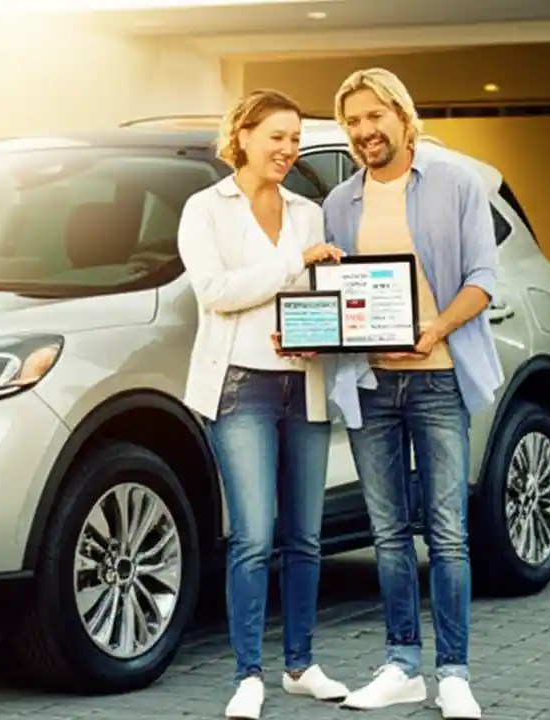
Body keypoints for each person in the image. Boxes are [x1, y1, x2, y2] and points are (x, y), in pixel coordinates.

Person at [320, 68, 504, 720]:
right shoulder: (339, 203)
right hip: (370, 383)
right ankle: (401, 664)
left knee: (448, 533)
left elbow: (484, 277)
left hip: (438, 378)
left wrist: (437, 329)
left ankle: (453, 672)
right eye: (353, 122)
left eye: (375, 116)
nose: (365, 131)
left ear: (401, 115)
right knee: (389, 532)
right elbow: (339, 299)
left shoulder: (456, 184)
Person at [177, 88, 349, 720]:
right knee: (254, 536)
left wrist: (312, 333)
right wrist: (291, 263)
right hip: (239, 387)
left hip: (300, 382)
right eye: (276, 135)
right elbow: (217, 292)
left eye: (296, 139)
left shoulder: (307, 211)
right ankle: (248, 674)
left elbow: (314, 295)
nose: (287, 149)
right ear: (242, 135)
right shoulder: (205, 210)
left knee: (305, 535)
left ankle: (301, 665)